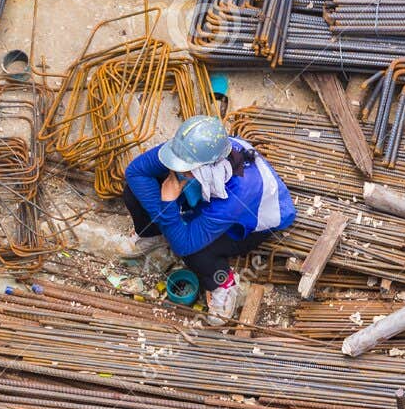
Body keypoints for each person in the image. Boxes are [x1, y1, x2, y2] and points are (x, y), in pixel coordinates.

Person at [122, 115, 296, 323]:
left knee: (196, 253)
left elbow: (184, 245)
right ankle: (155, 233)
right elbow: (136, 172)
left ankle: (223, 283)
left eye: (184, 167)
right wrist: (164, 217)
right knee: (133, 192)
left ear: (206, 170)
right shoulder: (194, 148)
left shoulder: (240, 192)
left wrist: (168, 203)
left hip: (249, 223)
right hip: (212, 195)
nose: (176, 170)